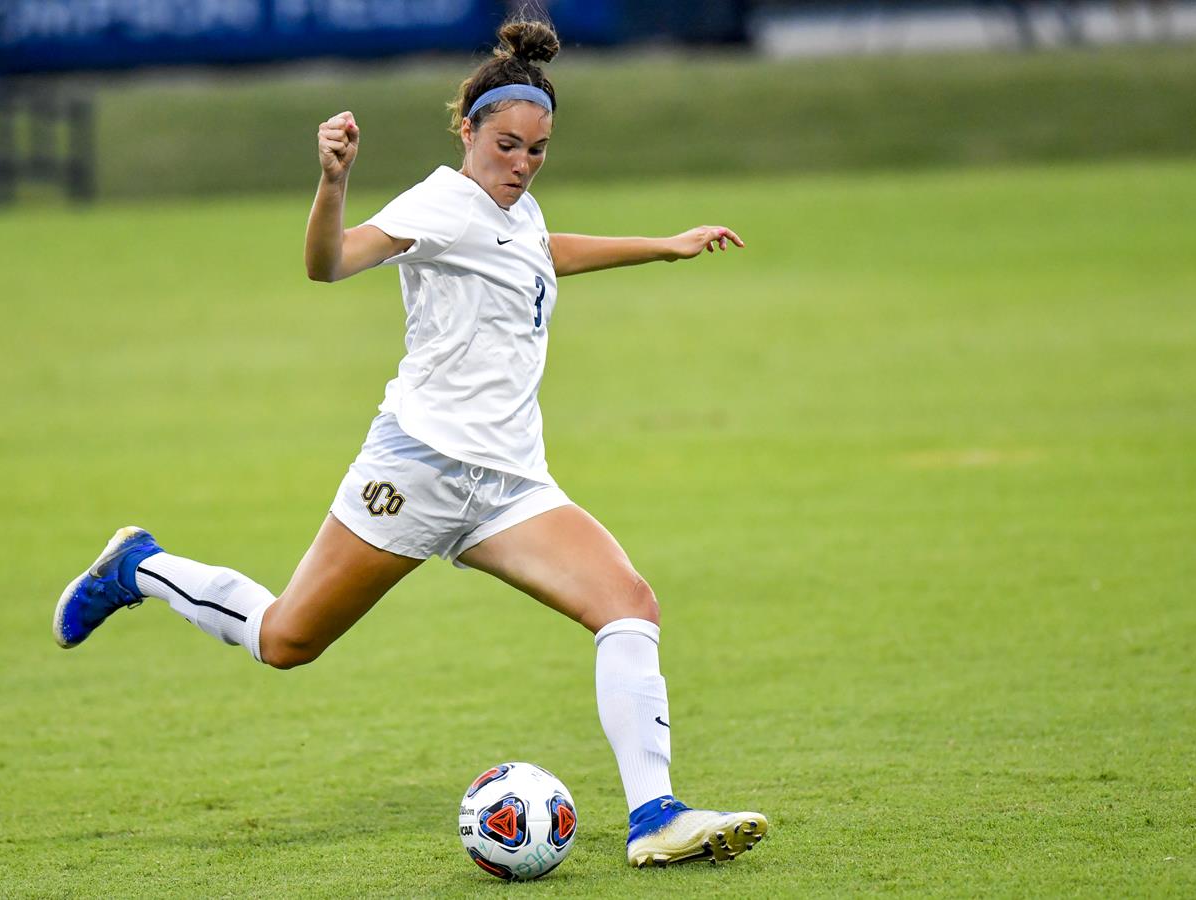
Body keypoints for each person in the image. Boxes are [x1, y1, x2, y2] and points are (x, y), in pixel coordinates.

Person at [53, 19, 766, 869]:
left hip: (508, 486)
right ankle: (141, 566)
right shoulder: (438, 203)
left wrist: (662, 247)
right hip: (416, 471)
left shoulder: (518, 209)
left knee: (629, 606)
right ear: (466, 130)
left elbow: (538, 250)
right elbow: (330, 263)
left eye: (538, 150)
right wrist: (333, 181)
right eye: (507, 145)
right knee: (286, 640)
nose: (522, 164)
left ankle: (655, 817)